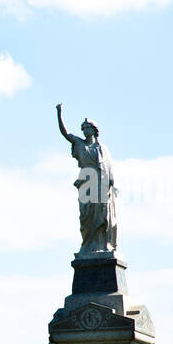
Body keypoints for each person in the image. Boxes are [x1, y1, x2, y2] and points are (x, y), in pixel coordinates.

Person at [56, 103, 117, 252]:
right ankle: (88, 245)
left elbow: (109, 168)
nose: (85, 130)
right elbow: (65, 133)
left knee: (102, 214)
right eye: (83, 128)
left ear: (94, 130)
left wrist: (111, 183)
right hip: (86, 182)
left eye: (87, 127)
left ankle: (102, 244)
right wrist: (59, 113)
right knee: (86, 216)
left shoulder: (102, 148)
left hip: (101, 184)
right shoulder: (79, 143)